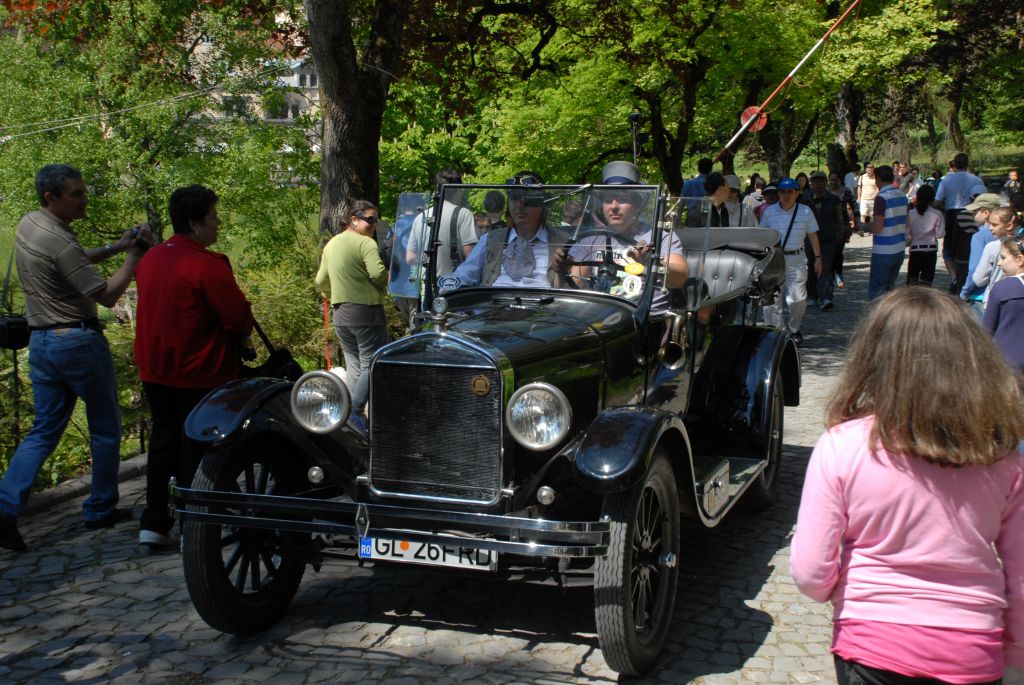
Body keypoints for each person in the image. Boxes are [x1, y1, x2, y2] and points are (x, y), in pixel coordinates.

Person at [790, 286, 1024, 685]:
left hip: (871, 642)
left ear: (873, 358)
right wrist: (1015, 652)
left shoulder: (843, 446)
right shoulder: (1001, 456)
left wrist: (855, 594)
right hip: (972, 649)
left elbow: (811, 571)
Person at [0, 164, 154, 552]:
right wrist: (133, 257)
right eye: (76, 194)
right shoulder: (60, 240)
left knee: (44, 429)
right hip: (77, 342)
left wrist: (116, 247)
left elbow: (73, 261)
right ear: (51, 197)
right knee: (106, 427)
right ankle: (100, 508)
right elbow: (105, 295)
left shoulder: (30, 224)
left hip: (41, 343)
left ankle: (4, 508)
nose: (85, 200)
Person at [133, 185, 253, 548]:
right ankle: (194, 524)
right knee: (196, 446)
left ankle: (154, 522)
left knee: (163, 443)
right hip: (198, 369)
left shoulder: (151, 258)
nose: (218, 224)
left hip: (156, 368)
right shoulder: (205, 265)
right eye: (213, 217)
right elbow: (237, 319)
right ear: (194, 223)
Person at [570, 161, 688, 312]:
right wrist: (559, 268)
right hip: (598, 317)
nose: (613, 206)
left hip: (645, 320)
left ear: (637, 204)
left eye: (622, 199)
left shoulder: (660, 237)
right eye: (607, 200)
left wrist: (651, 261)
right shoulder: (590, 240)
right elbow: (576, 285)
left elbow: (681, 279)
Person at [316, 200, 388, 433]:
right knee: (372, 363)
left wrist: (333, 294)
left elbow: (319, 281)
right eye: (369, 219)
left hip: (341, 314)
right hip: (366, 312)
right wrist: (391, 282)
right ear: (353, 219)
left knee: (354, 364)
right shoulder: (365, 243)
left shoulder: (331, 244)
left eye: (376, 220)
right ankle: (354, 412)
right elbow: (378, 274)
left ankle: (347, 418)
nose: (374, 224)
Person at [447, 171, 571, 289]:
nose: (518, 205)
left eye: (525, 198)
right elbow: (463, 275)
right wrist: (445, 287)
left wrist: (561, 271)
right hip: (494, 307)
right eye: (513, 199)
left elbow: (573, 291)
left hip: (543, 309)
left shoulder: (564, 242)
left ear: (542, 202)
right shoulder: (490, 240)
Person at [758, 177, 822, 345]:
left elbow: (813, 236)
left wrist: (818, 258)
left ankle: (794, 328)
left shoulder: (805, 211)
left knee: (797, 298)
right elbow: (761, 236)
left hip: (797, 259)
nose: (786, 195)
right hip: (773, 259)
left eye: (790, 192)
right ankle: (776, 332)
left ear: (797, 193)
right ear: (777, 193)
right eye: (782, 192)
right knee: (772, 300)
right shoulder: (769, 211)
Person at [406, 168, 478, 277]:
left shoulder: (421, 216)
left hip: (426, 285)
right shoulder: (463, 214)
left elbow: (410, 258)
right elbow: (470, 255)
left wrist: (429, 258)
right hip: (454, 286)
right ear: (458, 189)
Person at [935, 153, 984, 290]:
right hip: (971, 214)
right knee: (969, 247)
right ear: (968, 164)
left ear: (954, 165)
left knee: (949, 249)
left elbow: (937, 201)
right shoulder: (976, 180)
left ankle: (955, 277)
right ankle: (965, 276)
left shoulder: (946, 180)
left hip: (952, 214)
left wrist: (945, 209)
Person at [965, 207, 1017, 314]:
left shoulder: (992, 247)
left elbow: (979, 279)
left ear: (1009, 226)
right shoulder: (1020, 245)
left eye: (994, 224)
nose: (990, 228)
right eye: (989, 223)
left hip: (993, 301)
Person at [867, 165, 908, 300]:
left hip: (883, 250)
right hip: (899, 248)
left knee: (877, 291)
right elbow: (906, 222)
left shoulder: (881, 198)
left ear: (878, 179)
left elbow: (878, 227)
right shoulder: (902, 195)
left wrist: (864, 226)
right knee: (890, 290)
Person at [984, 236, 1024, 371]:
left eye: (1003, 257)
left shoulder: (1003, 288)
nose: (999, 263)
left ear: (1019, 259)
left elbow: (987, 330)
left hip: (1006, 362)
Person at [806, 171, 844, 310]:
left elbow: (840, 218)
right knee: (810, 267)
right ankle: (812, 296)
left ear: (826, 182)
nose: (819, 183)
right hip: (809, 239)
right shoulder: (805, 199)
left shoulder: (834, 200)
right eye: (815, 180)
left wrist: (841, 235)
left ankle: (826, 297)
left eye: (821, 180)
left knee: (826, 267)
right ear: (811, 182)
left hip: (828, 239)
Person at [959, 193, 1002, 306]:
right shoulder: (1011, 234)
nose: (972, 215)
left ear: (986, 213)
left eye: (975, 211)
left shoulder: (980, 236)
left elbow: (974, 268)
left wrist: (965, 292)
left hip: (980, 295)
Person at [904, 183, 945, 287]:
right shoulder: (937, 214)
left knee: (912, 281)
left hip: (915, 250)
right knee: (926, 283)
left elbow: (906, 234)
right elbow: (940, 234)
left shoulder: (910, 213)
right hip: (930, 250)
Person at [828, 171, 856, 290]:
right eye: (831, 180)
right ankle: (829, 276)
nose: (833, 182)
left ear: (840, 180)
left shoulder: (846, 191)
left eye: (836, 180)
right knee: (829, 252)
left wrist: (856, 220)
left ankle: (839, 274)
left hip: (842, 225)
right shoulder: (826, 192)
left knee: (838, 251)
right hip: (828, 225)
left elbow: (854, 205)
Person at [682, 157, 713, 227]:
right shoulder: (712, 184)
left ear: (698, 169)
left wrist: (678, 220)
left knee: (691, 236)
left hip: (692, 215)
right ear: (711, 170)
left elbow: (681, 204)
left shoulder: (688, 183)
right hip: (707, 215)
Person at [856, 162, 878, 234]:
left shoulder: (876, 177)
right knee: (863, 214)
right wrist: (859, 197)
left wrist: (875, 195)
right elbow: (859, 188)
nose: (869, 171)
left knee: (872, 215)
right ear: (866, 169)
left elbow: (878, 187)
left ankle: (871, 229)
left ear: (873, 169)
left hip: (873, 199)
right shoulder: (862, 177)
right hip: (864, 199)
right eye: (868, 169)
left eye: (871, 169)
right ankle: (862, 230)